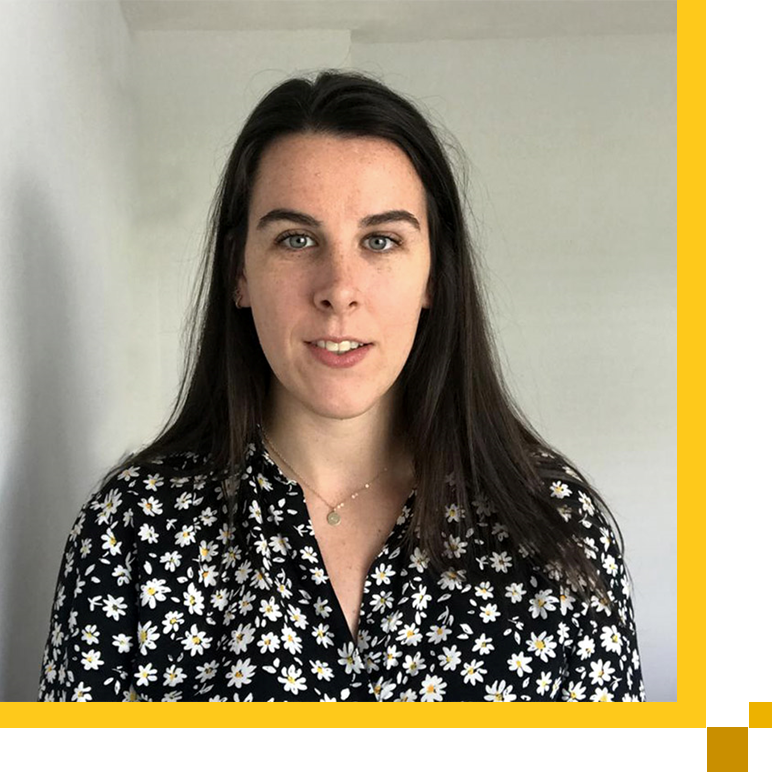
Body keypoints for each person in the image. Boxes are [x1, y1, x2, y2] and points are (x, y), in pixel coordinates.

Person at [38, 69, 645, 702]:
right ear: (239, 272)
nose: (339, 289)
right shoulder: (130, 534)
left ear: (434, 277)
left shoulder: (558, 532)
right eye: (296, 239)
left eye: (380, 241)